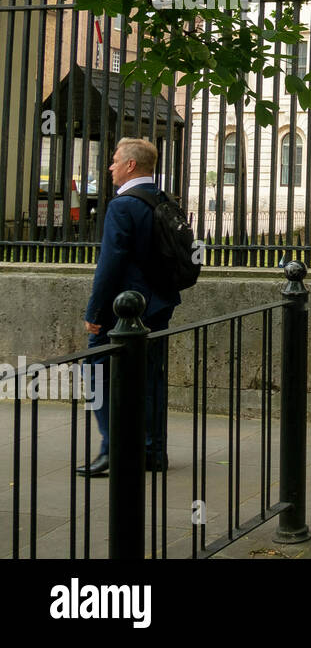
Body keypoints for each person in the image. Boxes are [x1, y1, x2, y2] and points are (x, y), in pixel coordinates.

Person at [78, 138, 180, 477]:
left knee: (95, 371)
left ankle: (113, 448)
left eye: (115, 161)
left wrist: (94, 314)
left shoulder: (122, 206)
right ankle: (152, 450)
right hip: (159, 305)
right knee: (151, 377)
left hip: (123, 311)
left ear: (131, 166)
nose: (111, 167)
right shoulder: (162, 199)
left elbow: (110, 265)